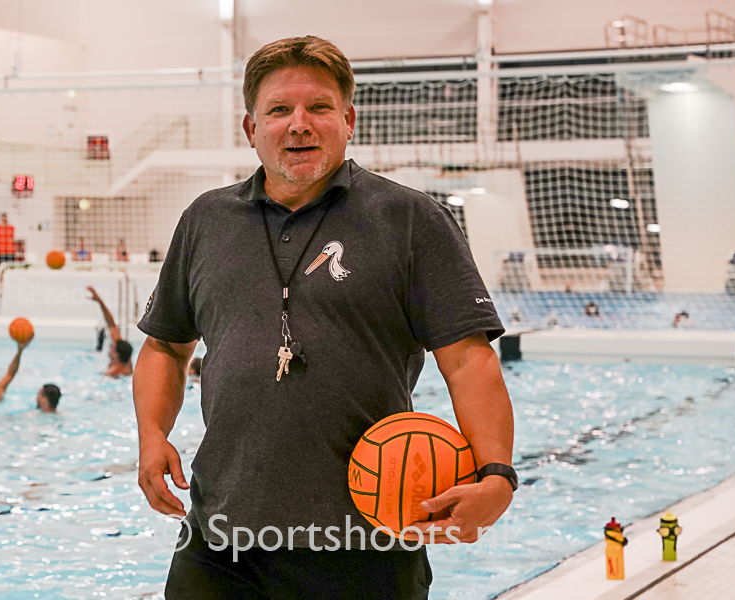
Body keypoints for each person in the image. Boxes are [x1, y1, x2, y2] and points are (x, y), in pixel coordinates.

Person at [134, 36, 514, 600]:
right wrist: (151, 436)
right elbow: (165, 346)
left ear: (348, 120)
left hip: (368, 541)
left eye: (318, 107)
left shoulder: (410, 219)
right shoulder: (206, 221)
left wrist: (497, 476)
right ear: (251, 128)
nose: (299, 124)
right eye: (279, 110)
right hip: (219, 539)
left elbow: (468, 362)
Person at [87, 286, 133, 377]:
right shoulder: (126, 361)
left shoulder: (113, 372)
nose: (110, 347)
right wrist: (99, 301)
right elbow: (111, 324)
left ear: (116, 354)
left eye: (112, 346)